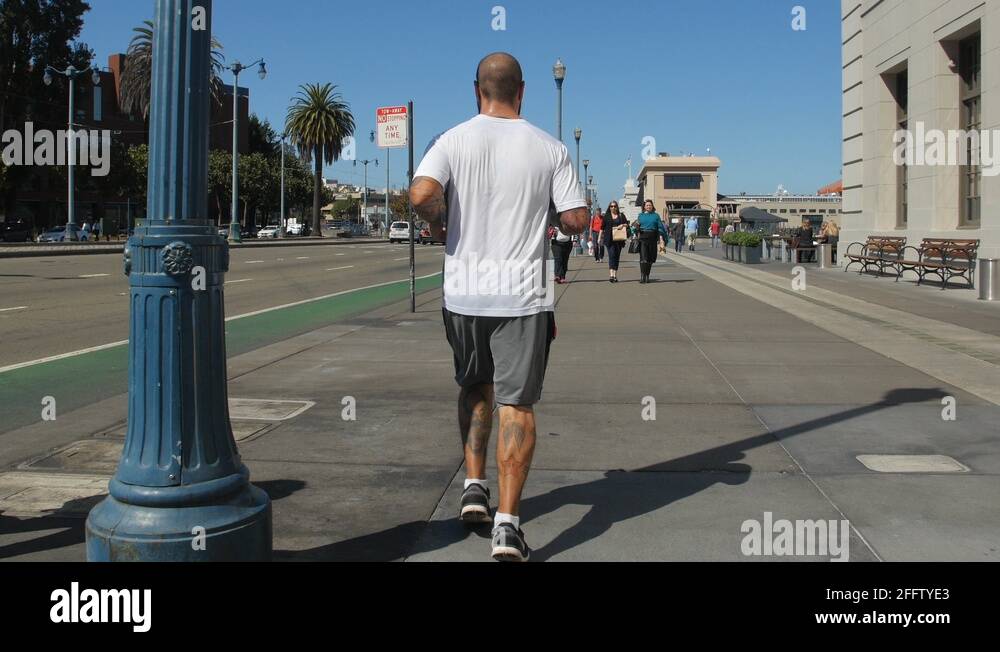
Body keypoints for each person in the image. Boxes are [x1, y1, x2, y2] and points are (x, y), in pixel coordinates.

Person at [410, 52, 589, 562]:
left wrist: (437, 223)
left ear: (477, 91)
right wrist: (565, 216)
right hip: (522, 295)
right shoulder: (550, 148)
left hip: (464, 291)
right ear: (524, 91)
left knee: (474, 387)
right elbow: (576, 218)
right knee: (518, 403)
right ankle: (508, 527)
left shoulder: (451, 140)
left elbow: (421, 192)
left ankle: (473, 485)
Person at [635, 200, 669, 284]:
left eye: (650, 205)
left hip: (653, 238)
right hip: (643, 238)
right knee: (643, 259)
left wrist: (661, 239)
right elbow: (637, 228)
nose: (648, 206)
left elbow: (660, 228)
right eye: (647, 205)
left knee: (650, 259)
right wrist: (637, 227)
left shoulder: (656, 216)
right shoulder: (640, 215)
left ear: (652, 206)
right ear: (644, 207)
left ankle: (647, 276)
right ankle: (642, 276)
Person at [599, 201, 631, 283]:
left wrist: (623, 225)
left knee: (616, 257)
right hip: (609, 240)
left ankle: (615, 275)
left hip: (619, 240)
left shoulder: (621, 216)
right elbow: (602, 228)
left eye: (614, 206)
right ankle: (611, 275)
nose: (613, 208)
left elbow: (627, 224)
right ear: (609, 207)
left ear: (617, 207)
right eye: (611, 206)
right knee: (612, 255)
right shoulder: (606, 216)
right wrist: (599, 238)